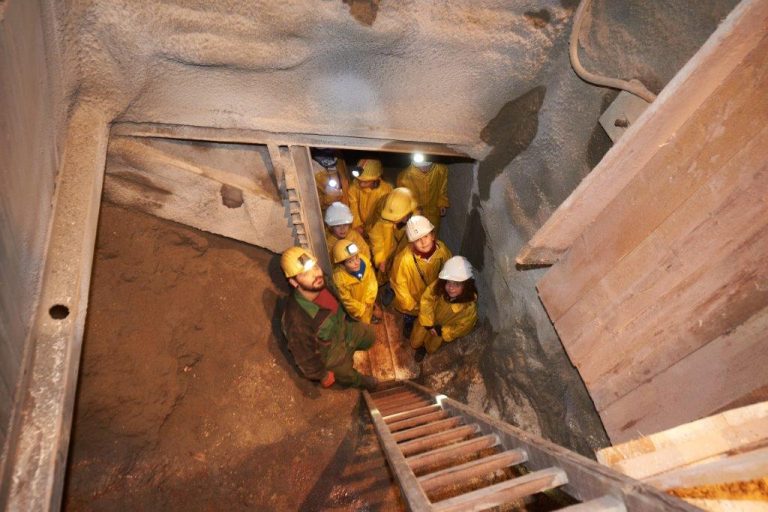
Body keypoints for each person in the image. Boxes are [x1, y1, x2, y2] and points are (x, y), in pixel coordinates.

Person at [280, 246, 377, 390]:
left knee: (370, 335)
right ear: (294, 282)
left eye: (315, 267)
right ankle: (359, 382)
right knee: (346, 375)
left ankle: (353, 349)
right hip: (330, 352)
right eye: (305, 274)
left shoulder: (322, 281)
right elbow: (306, 359)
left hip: (343, 327)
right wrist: (323, 375)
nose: (316, 274)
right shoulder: (297, 321)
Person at [390, 216, 452, 338]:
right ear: (411, 242)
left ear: (433, 236)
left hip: (433, 296)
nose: (423, 242)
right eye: (418, 239)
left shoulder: (442, 251)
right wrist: (413, 305)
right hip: (414, 300)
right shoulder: (404, 260)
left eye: (426, 236)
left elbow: (449, 269)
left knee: (429, 313)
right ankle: (409, 321)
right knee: (411, 314)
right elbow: (400, 286)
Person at [411, 256, 478, 362]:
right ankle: (417, 344)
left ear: (466, 286)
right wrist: (428, 322)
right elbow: (426, 299)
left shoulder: (468, 308)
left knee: (431, 346)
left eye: (457, 284)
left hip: (439, 332)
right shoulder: (439, 287)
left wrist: (442, 331)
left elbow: (464, 327)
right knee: (415, 339)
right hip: (426, 322)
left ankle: (423, 349)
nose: (451, 287)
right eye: (448, 282)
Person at [367, 187, 419, 287]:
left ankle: (392, 288)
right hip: (388, 254)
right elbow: (376, 238)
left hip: (403, 256)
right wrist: (380, 258)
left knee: (400, 275)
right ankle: (384, 286)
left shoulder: (417, 221)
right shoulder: (384, 219)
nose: (395, 220)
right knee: (384, 272)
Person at [397, 154, 449, 234]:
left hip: (433, 210)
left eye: (427, 166)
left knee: (432, 234)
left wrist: (442, 203)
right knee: (416, 235)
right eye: (421, 166)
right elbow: (403, 198)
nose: (424, 169)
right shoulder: (405, 176)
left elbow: (442, 188)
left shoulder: (441, 170)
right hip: (415, 212)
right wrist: (407, 212)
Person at [331, 239, 379, 325]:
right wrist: (361, 309)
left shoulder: (364, 262)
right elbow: (346, 300)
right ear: (342, 265)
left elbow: (372, 281)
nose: (356, 263)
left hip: (368, 302)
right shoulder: (339, 278)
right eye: (350, 261)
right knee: (361, 323)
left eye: (356, 257)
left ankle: (370, 317)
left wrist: (370, 299)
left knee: (368, 314)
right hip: (357, 310)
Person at [347, 159, 392, 234]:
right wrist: (356, 225)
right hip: (361, 228)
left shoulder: (385, 191)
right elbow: (353, 207)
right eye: (359, 180)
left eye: (366, 182)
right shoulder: (354, 187)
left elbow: (383, 216)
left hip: (378, 230)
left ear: (376, 179)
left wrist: (373, 230)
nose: (361, 184)